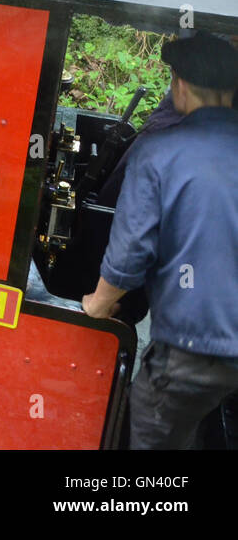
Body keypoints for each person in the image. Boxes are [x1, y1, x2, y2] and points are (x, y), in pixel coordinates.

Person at [82, 31, 238, 449]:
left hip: (196, 347)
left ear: (179, 84)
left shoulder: (162, 151)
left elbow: (130, 252)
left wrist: (98, 304)